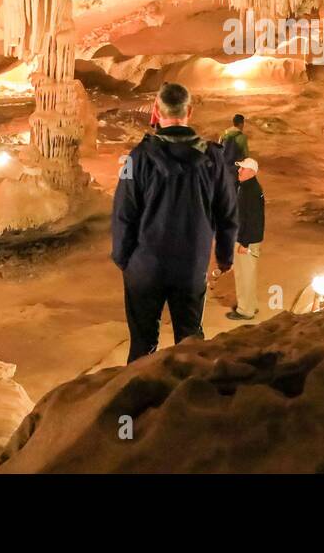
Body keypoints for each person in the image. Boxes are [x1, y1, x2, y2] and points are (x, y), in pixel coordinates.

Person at [112, 82, 238, 362]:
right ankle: (189, 397)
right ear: (189, 111)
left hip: (145, 267)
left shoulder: (139, 158)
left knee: (143, 345)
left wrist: (124, 260)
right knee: (190, 342)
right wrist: (224, 257)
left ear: (157, 111)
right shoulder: (213, 158)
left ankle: (139, 402)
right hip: (191, 267)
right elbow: (226, 212)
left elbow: (124, 214)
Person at [226, 158, 265, 322]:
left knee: (244, 275)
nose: (239, 171)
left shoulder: (251, 191)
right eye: (239, 168)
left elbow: (253, 220)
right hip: (245, 238)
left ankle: (245, 311)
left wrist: (244, 243)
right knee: (247, 274)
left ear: (252, 172)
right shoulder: (247, 187)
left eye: (242, 169)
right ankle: (251, 304)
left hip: (246, 241)